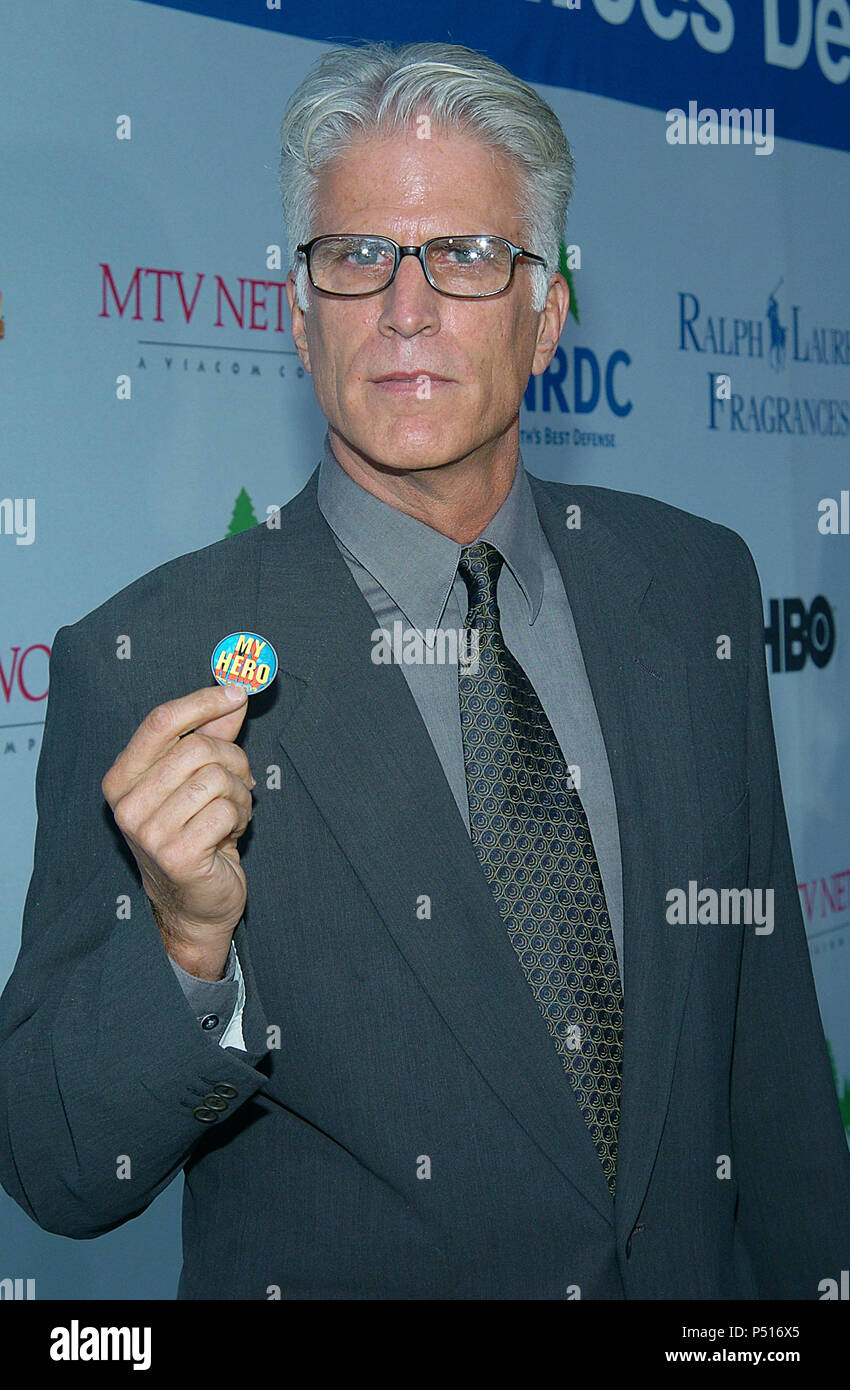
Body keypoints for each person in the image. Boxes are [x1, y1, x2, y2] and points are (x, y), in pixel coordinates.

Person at [1, 40, 848, 1301]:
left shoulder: (694, 587)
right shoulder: (149, 661)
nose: (406, 308)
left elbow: (769, 1066)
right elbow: (59, 1162)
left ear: (548, 311)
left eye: (464, 255)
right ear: (297, 312)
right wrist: (186, 947)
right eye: (357, 258)